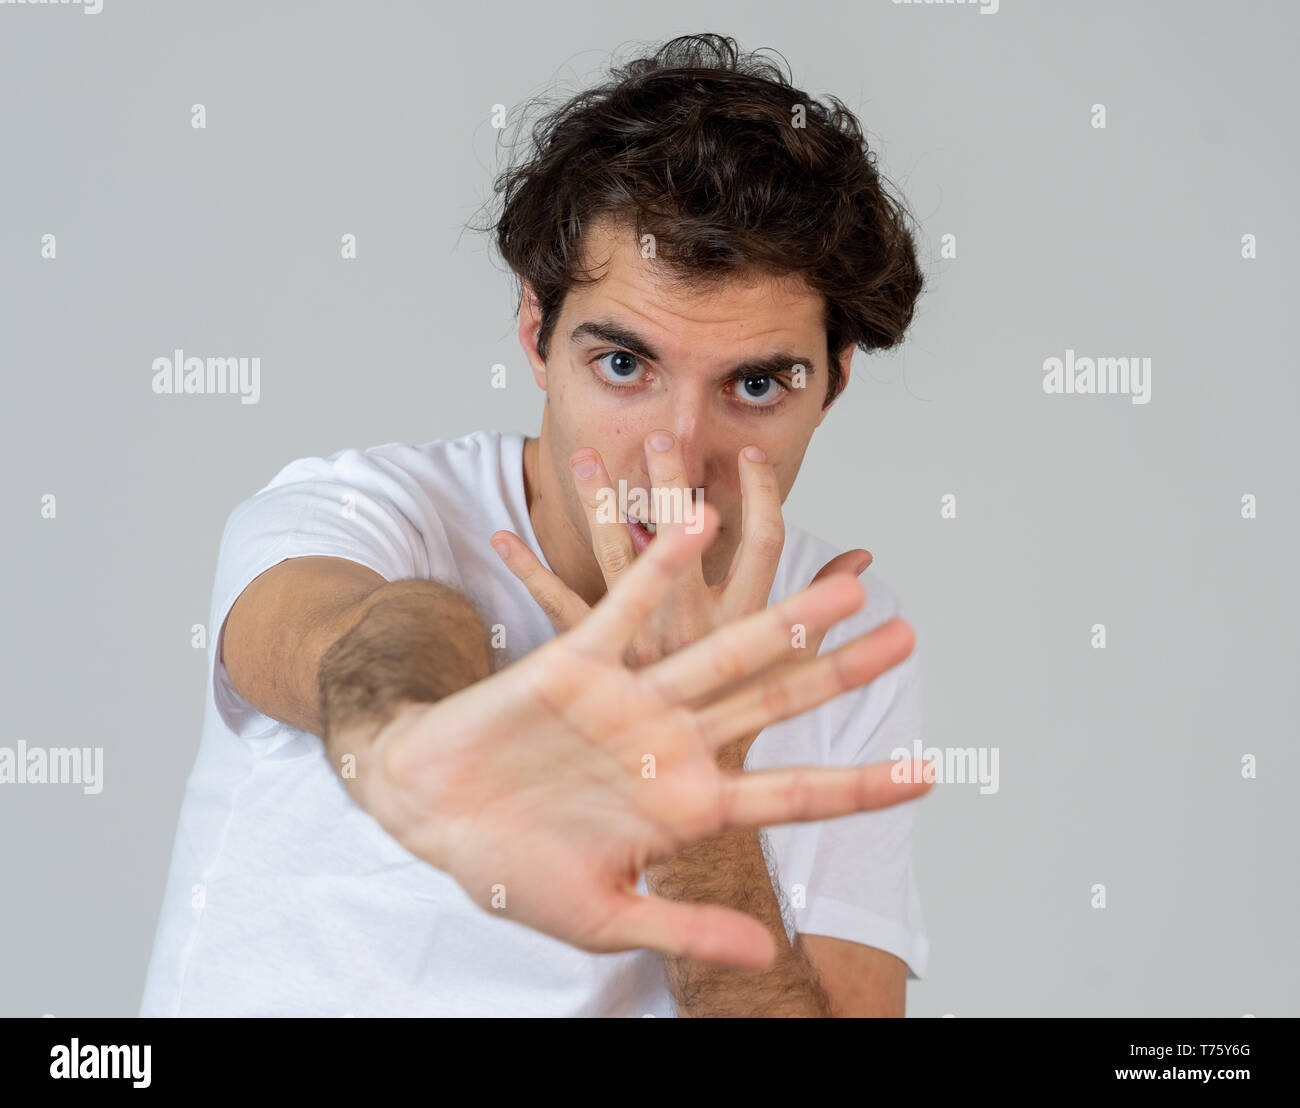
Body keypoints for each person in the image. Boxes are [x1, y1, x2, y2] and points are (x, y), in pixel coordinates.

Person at [139, 33, 932, 1018]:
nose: (677, 458)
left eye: (757, 385)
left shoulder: (839, 635)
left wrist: (701, 812)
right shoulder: (358, 511)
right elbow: (355, 631)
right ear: (535, 333)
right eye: (623, 366)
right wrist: (409, 735)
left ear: (834, 383)